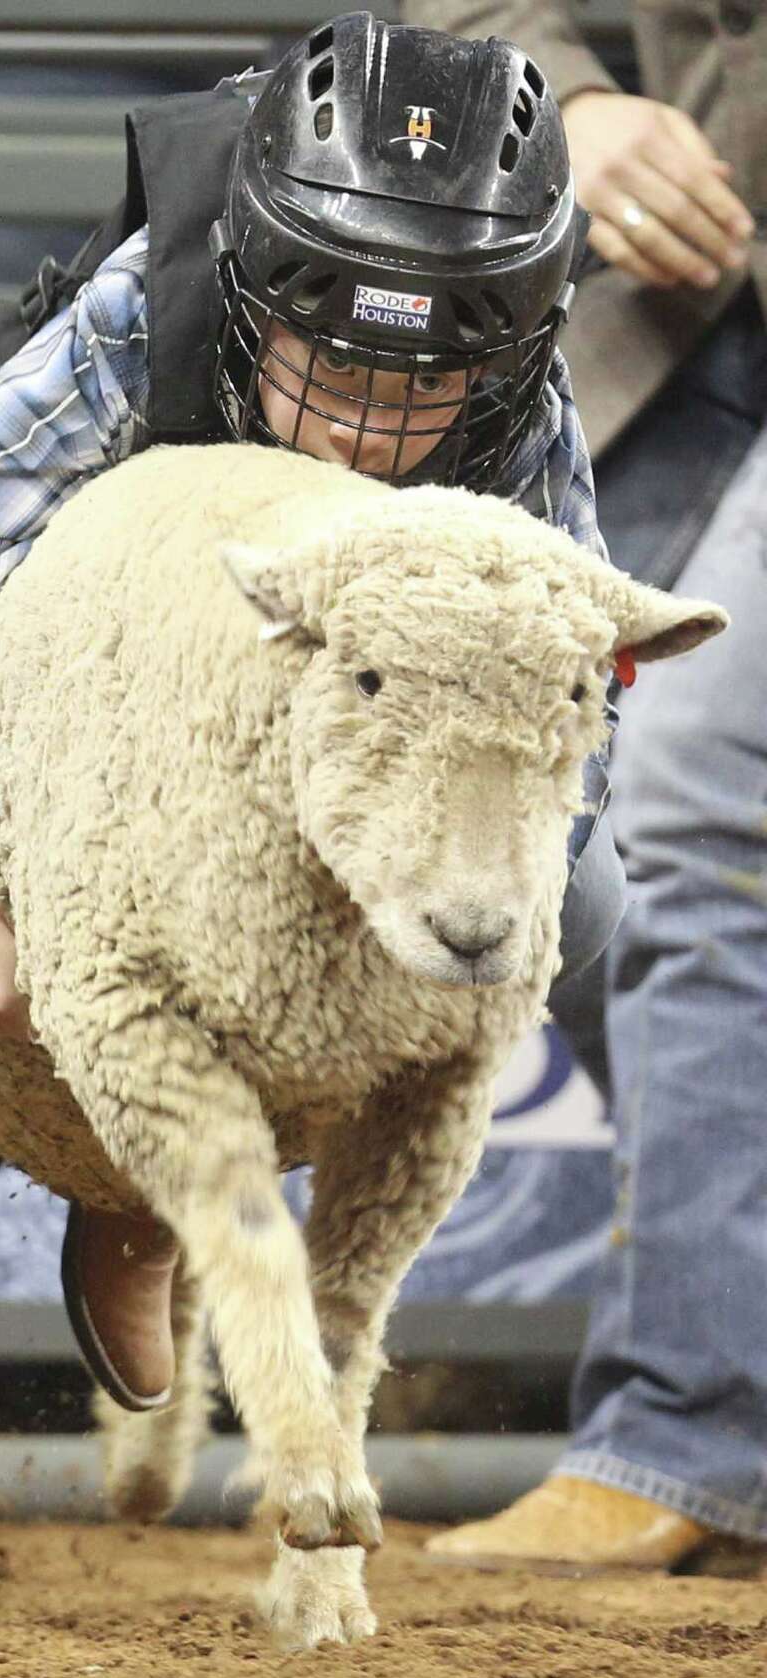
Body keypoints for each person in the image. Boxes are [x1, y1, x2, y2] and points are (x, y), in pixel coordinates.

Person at [0, 14, 623, 1419]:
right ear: (255, 287)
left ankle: (147, 1198)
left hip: (317, 695)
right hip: (75, 539)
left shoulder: (520, 408)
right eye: (329, 368)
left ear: (504, 356)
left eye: (421, 391)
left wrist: (504, 853)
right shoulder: (152, 302)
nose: (359, 433)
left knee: (579, 903)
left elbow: (581, 665)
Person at [415, 0, 767, 1572]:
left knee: (697, 793)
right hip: (676, 313)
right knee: (538, 830)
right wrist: (568, 96)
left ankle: (689, 1436)